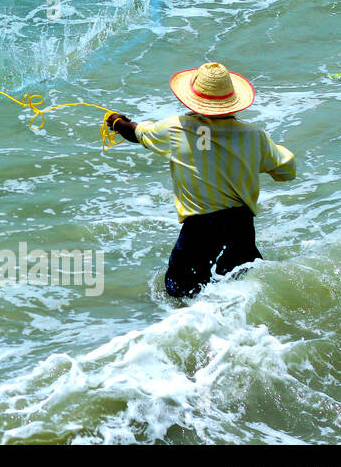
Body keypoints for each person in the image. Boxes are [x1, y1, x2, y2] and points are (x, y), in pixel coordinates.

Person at [104, 61, 296, 298]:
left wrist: (115, 121)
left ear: (193, 98)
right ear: (232, 100)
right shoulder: (254, 136)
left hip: (200, 231)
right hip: (240, 228)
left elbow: (135, 132)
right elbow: (287, 170)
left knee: (179, 293)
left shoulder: (176, 128)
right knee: (244, 292)